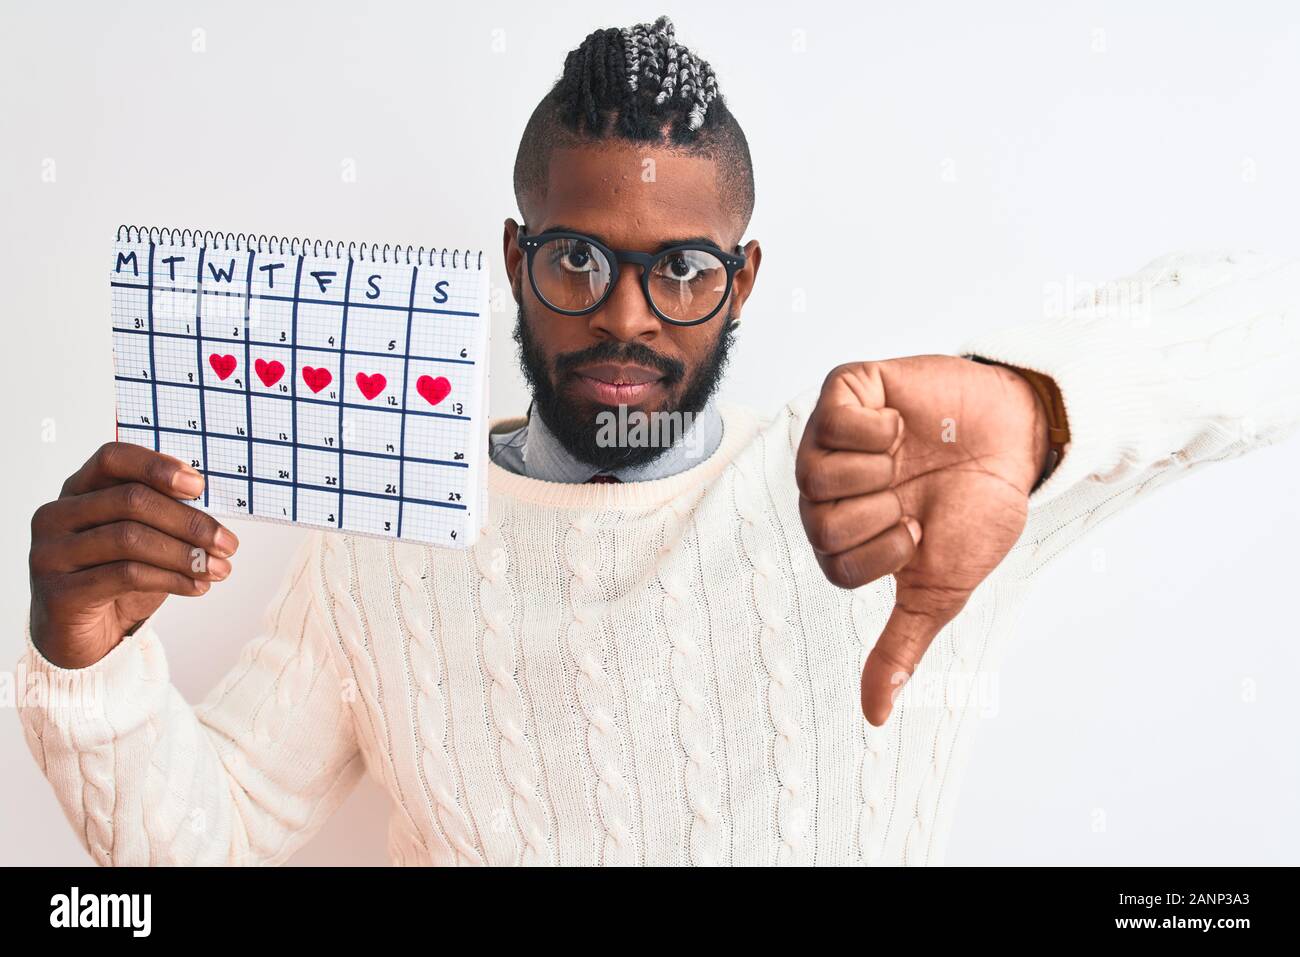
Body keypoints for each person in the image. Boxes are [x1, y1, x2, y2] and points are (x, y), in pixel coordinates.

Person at [18, 15, 1300, 866]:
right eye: (577, 260)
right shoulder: (383, 554)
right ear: (517, 262)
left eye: (681, 270)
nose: (624, 319)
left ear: (741, 283)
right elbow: (208, 844)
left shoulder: (896, 488)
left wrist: (1035, 407)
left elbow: (1270, 323)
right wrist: (86, 665)